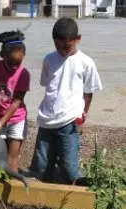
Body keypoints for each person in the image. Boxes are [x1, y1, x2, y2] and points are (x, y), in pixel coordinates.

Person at [30, 17, 102, 184]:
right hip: (47, 121)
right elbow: (48, 86)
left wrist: (82, 118)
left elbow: (88, 93)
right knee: (41, 166)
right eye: (58, 45)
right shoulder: (49, 59)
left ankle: (78, 197)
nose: (62, 50)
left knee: (69, 167)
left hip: (69, 122)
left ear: (78, 39)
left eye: (67, 46)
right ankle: (45, 198)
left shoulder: (86, 63)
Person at [0, 30, 30, 173]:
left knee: (12, 158)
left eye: (18, 63)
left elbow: (16, 102)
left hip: (17, 120)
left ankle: (11, 188)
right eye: (11, 63)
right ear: (2, 55)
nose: (15, 67)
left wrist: (1, 122)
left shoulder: (23, 74)